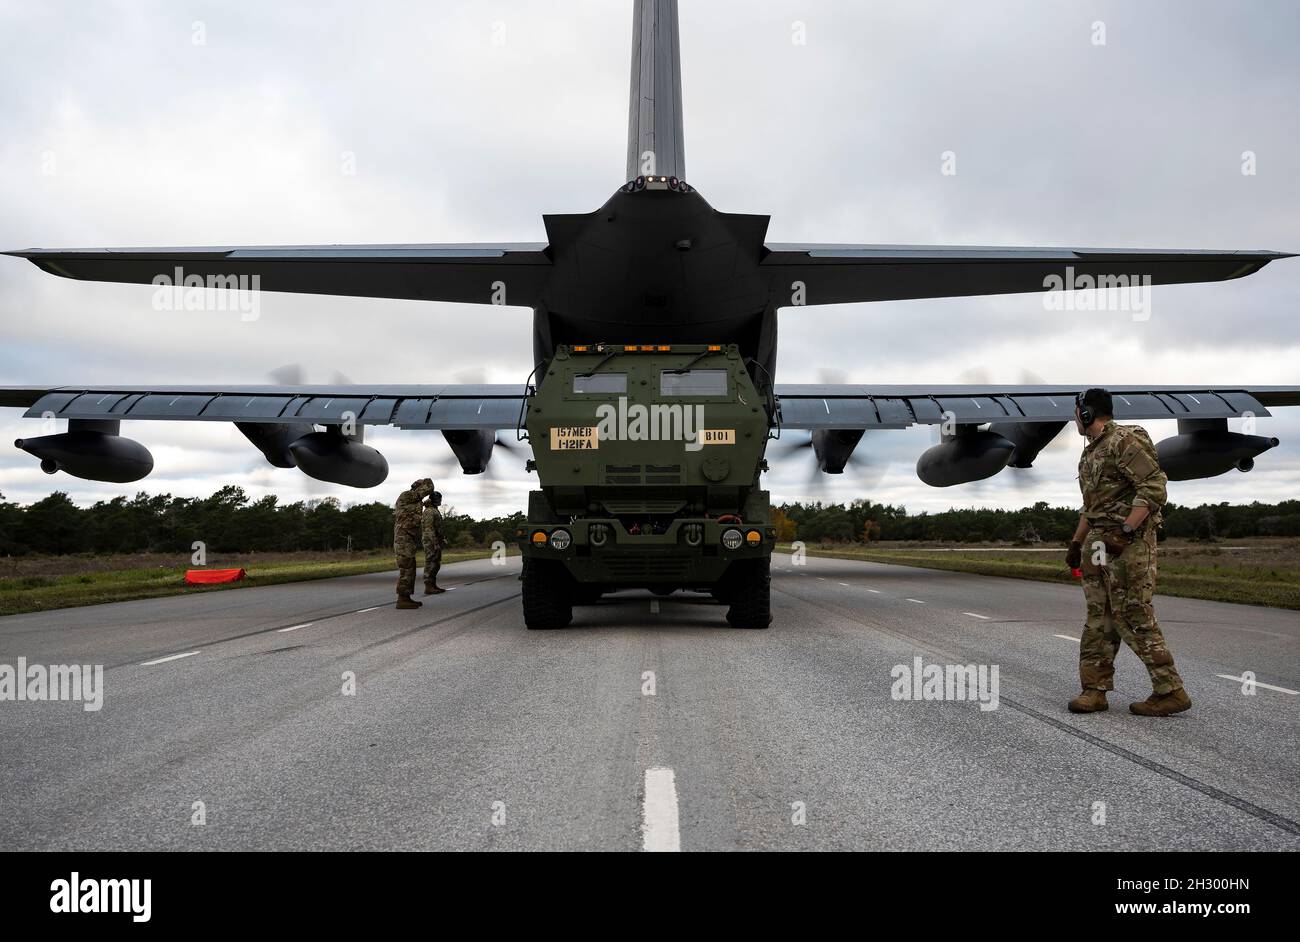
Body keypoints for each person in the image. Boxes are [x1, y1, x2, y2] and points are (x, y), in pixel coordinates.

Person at [1065, 388, 1190, 716]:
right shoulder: (1091, 453)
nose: (1074, 418)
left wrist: (1126, 531)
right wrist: (1077, 542)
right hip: (1098, 545)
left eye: (1077, 412)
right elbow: (1091, 507)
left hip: (1128, 545)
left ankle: (1170, 690)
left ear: (1087, 413)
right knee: (1099, 618)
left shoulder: (1123, 441)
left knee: (1133, 613)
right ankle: (1094, 690)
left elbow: (1153, 488)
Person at [394, 478, 433, 609]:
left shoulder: (416, 501)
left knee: (410, 567)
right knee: (406, 568)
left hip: (408, 538)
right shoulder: (407, 495)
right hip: (403, 539)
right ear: (418, 488)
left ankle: (406, 597)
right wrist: (427, 480)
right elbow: (429, 487)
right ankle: (402, 599)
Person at [422, 490, 446, 595]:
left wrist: (441, 538)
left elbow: (437, 528)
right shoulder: (429, 511)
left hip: (436, 540)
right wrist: (434, 543)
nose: (440, 501)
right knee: (430, 563)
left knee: (436, 563)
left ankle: (433, 585)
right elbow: (429, 529)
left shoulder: (434, 510)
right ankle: (428, 586)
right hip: (431, 541)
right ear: (434, 500)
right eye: (438, 499)